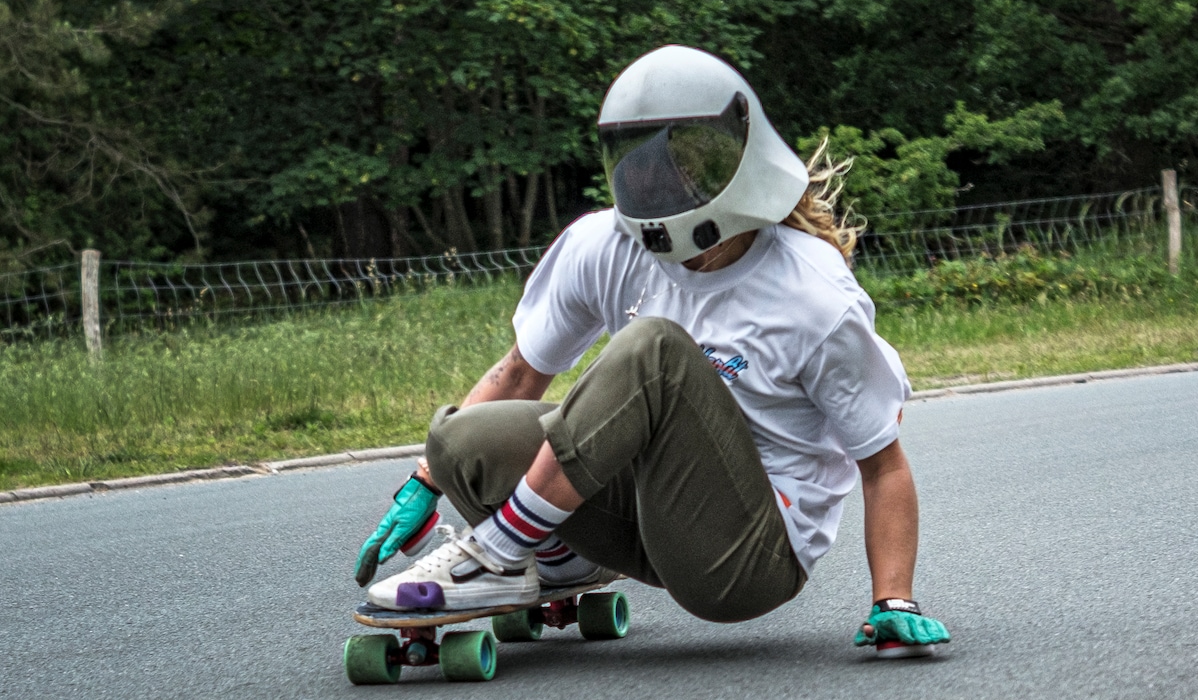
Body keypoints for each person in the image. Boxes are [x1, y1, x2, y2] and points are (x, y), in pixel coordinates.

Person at [350, 45, 950, 658]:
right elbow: (522, 371)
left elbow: (884, 466)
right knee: (460, 441)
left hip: (747, 557)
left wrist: (893, 600)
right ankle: (557, 563)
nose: (647, 178)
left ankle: (499, 552)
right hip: (644, 518)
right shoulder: (603, 245)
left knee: (654, 348)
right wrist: (426, 480)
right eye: (630, 152)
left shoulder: (813, 294)